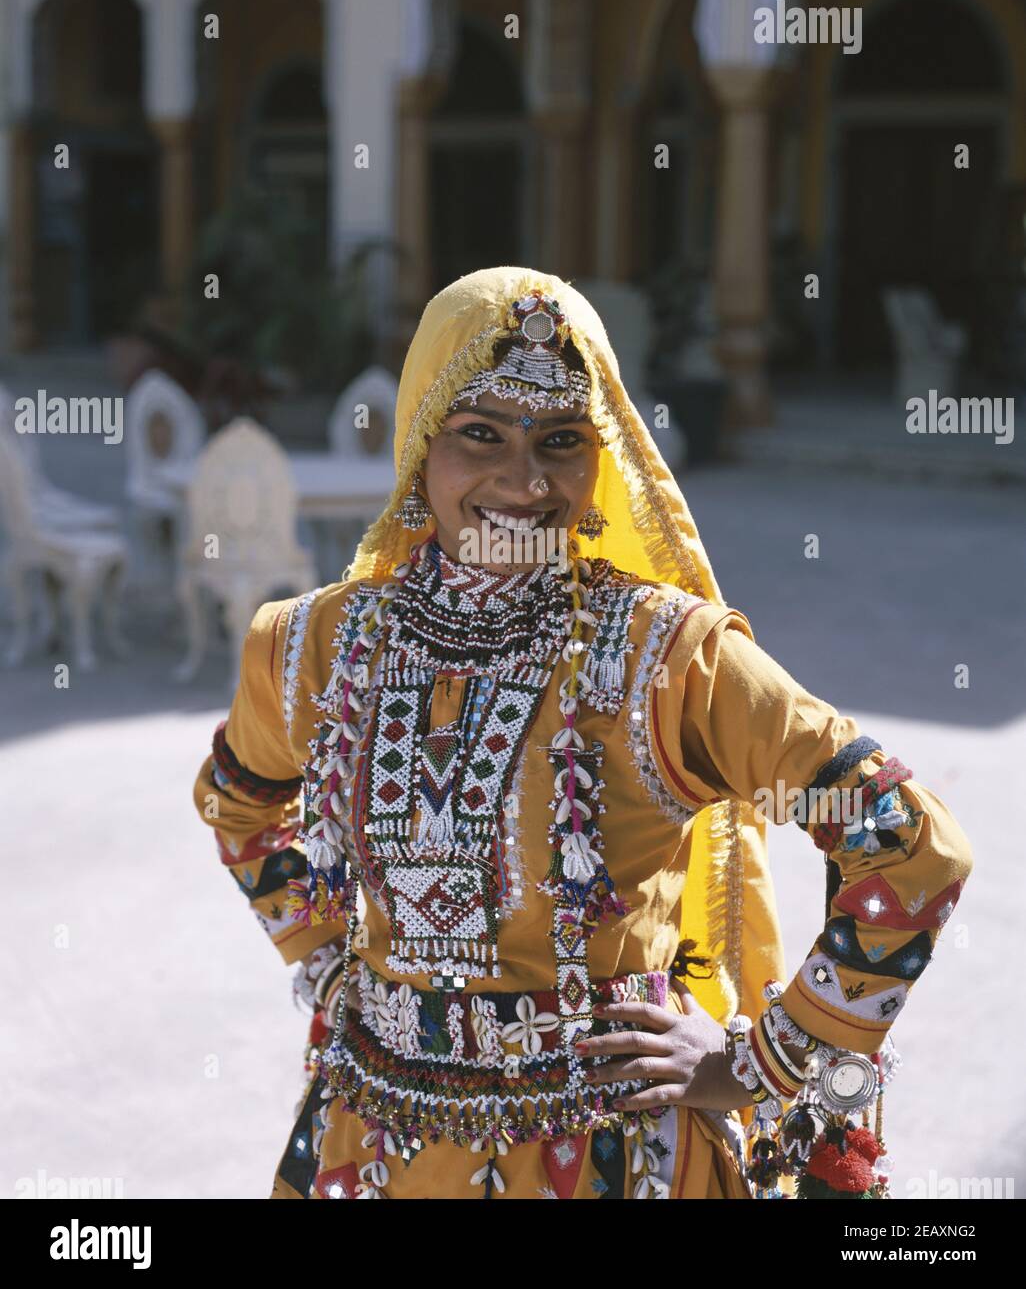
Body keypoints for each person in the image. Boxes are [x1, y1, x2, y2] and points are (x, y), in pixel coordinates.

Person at [192, 267, 973, 1200]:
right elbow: (239, 806)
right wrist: (324, 967)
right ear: (418, 450)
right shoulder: (313, 646)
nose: (523, 481)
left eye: (560, 442)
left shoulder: (666, 659)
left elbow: (910, 845)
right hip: (371, 1145)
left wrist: (759, 1064)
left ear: (599, 461)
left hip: (608, 1154)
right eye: (480, 434)